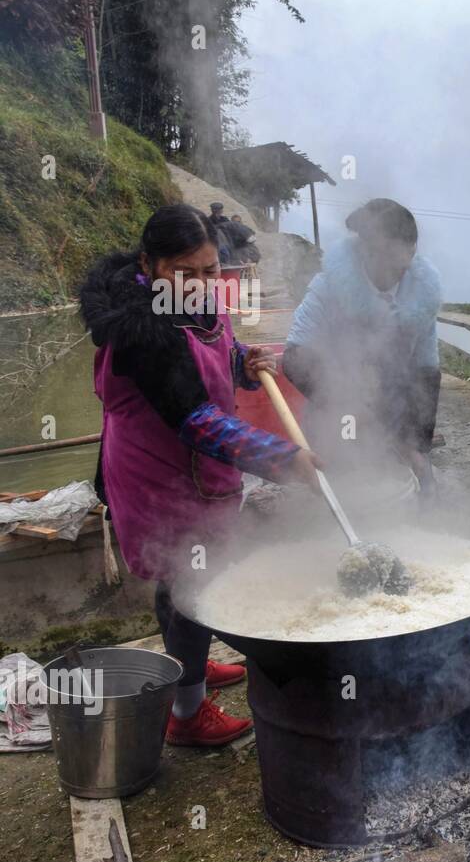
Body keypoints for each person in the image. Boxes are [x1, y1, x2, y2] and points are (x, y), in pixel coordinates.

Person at [80, 204, 321, 746]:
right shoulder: (140, 330)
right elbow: (196, 418)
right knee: (188, 578)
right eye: (183, 273)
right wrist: (283, 459)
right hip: (157, 473)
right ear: (149, 265)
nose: (200, 285)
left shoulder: (203, 301)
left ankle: (189, 662)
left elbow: (219, 351)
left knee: (198, 576)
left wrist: (243, 362)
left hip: (201, 467)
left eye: (210, 271)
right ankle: (186, 714)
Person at [282, 198, 443, 504]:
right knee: (341, 499)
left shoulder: (422, 296)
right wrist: (346, 405)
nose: (391, 273)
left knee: (409, 499)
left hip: (394, 416)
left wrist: (418, 445)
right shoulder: (329, 287)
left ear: (411, 253)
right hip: (333, 415)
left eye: (400, 264)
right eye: (381, 259)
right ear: (363, 250)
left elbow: (426, 371)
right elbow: (295, 357)